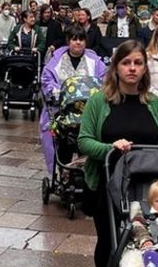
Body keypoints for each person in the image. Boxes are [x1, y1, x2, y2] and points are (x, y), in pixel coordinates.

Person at [78, 40, 158, 267]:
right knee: (110, 240)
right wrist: (110, 149)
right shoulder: (99, 101)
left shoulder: (154, 103)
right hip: (107, 183)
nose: (132, 68)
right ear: (116, 68)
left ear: (145, 68)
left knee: (147, 239)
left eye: (137, 63)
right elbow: (84, 141)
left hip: (145, 184)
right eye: (126, 63)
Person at [40, 27, 107, 171]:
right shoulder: (56, 60)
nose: (78, 43)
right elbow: (47, 79)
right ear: (68, 41)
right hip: (62, 112)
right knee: (61, 142)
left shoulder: (95, 61)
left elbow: (105, 79)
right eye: (74, 39)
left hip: (89, 113)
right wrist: (54, 91)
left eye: (81, 39)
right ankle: (62, 170)